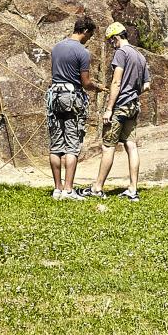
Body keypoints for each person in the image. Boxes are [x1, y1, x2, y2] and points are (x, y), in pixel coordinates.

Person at [85, 21, 149, 200]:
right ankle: (133, 189)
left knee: (108, 146)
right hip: (133, 106)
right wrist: (133, 92)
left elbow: (116, 82)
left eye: (111, 41)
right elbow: (147, 85)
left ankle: (97, 188)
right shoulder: (140, 56)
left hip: (120, 106)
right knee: (131, 145)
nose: (111, 45)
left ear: (116, 37)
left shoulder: (121, 53)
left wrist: (108, 109)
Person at [47, 15, 101, 199]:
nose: (89, 39)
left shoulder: (57, 47)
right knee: (72, 144)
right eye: (90, 35)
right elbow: (85, 83)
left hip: (54, 96)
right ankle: (68, 190)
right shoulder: (82, 52)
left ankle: (57, 188)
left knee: (56, 146)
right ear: (85, 31)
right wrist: (98, 87)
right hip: (71, 98)